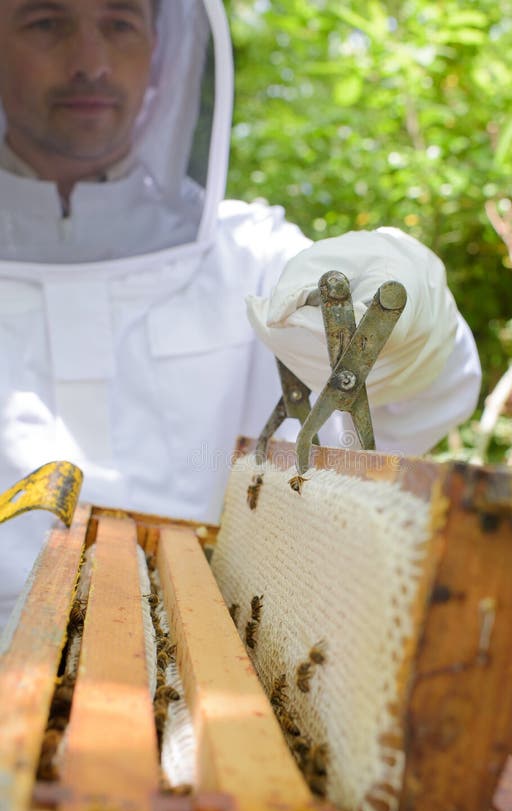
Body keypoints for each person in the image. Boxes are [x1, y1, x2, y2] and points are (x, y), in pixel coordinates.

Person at [0, 0, 481, 628]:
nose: (90, 62)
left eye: (120, 23)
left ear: (162, 51)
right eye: (45, 22)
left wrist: (411, 320)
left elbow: (411, 410)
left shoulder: (254, 256)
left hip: (213, 668)